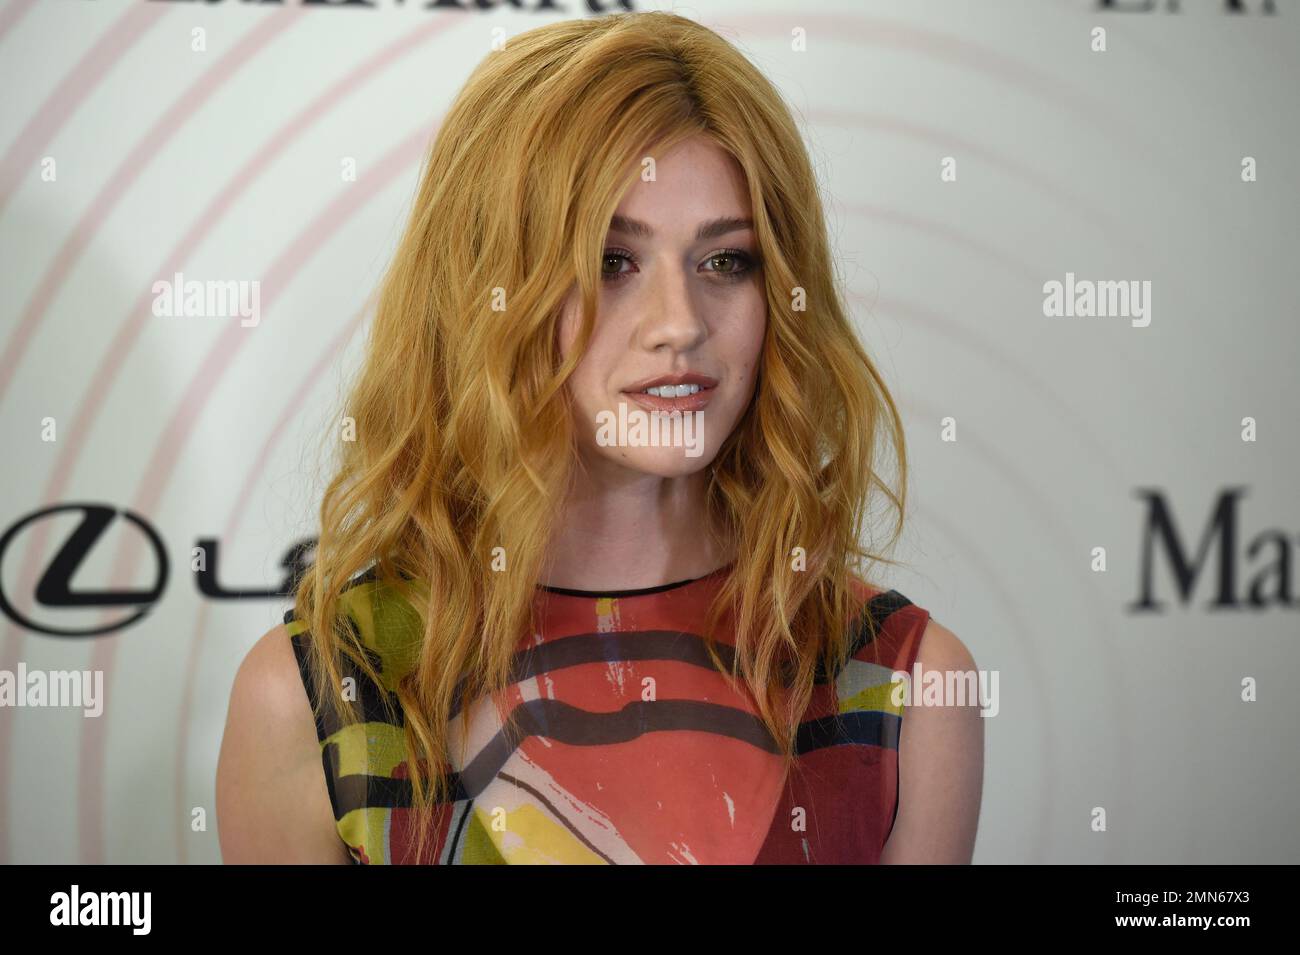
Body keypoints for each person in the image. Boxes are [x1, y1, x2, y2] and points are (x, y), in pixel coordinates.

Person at [216, 10, 982, 865]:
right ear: (485, 289)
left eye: (726, 260)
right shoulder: (319, 697)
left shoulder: (902, 684)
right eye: (613, 262)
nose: (679, 325)